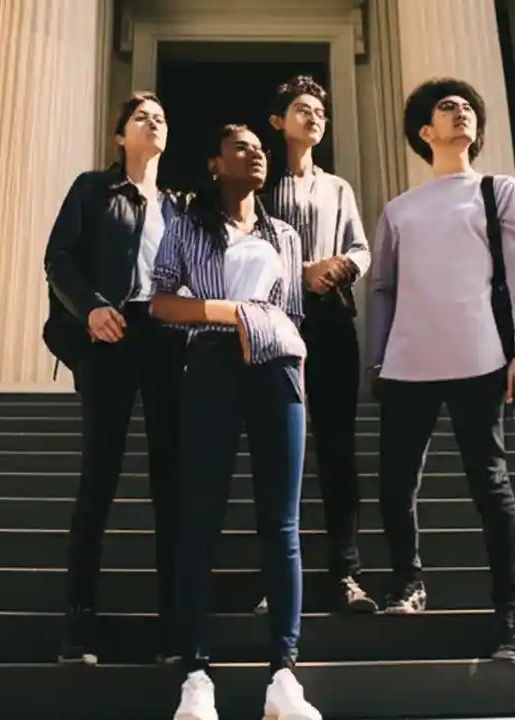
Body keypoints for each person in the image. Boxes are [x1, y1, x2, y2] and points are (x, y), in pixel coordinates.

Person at [367, 78, 515, 662]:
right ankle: (408, 581)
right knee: (397, 481)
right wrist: (378, 357)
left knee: (490, 485)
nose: (460, 112)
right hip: (409, 361)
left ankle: (510, 619)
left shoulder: (497, 191)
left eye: (467, 107)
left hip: (481, 357)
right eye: (447, 107)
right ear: (426, 132)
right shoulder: (400, 208)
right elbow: (383, 288)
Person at [151, 125, 322, 720]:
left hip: (277, 367)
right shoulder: (186, 227)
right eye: (241, 147)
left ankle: (284, 676)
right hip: (213, 362)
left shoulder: (285, 234)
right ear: (215, 163)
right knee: (201, 518)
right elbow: (160, 302)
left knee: (282, 523)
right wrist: (233, 313)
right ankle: (196, 676)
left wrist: (290, 359)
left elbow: (294, 312)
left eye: (259, 148)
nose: (255, 154)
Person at [44, 91, 187, 666]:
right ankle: (78, 629)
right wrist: (92, 308)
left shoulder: (179, 205)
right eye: (140, 117)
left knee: (171, 485)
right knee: (98, 480)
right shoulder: (92, 189)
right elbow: (58, 258)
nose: (152, 122)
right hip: (110, 333)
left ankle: (175, 629)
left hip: (165, 340)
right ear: (119, 136)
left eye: (160, 116)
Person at [258, 75, 375, 613]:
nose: (314, 117)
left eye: (319, 111)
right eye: (302, 110)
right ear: (279, 122)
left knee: (337, 446)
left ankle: (346, 571)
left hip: (331, 320)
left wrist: (340, 267)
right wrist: (296, 272)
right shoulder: (261, 185)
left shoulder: (338, 188)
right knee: (283, 447)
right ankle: (279, 574)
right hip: (279, 321)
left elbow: (361, 247)